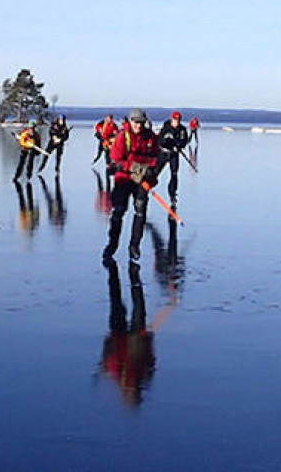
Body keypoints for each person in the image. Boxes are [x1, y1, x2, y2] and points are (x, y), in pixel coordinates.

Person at [103, 108, 160, 263]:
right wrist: (133, 167)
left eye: (141, 123)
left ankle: (134, 246)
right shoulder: (123, 137)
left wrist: (149, 174)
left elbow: (156, 160)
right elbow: (115, 160)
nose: (139, 126)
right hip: (124, 179)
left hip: (142, 181)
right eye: (136, 123)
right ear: (130, 122)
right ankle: (112, 245)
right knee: (118, 211)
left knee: (140, 212)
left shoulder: (151, 138)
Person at [99, 258, 155, 407]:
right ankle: (134, 275)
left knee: (116, 300)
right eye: (134, 391)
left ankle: (118, 273)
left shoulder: (116, 373)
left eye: (130, 391)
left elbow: (108, 353)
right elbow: (150, 357)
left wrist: (105, 359)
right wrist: (148, 340)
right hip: (136, 337)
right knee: (138, 305)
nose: (132, 388)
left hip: (120, 336)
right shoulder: (144, 374)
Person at [156, 110, 190, 207]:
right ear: (172, 119)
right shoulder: (166, 127)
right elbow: (160, 140)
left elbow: (183, 142)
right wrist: (167, 142)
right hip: (163, 153)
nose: (177, 122)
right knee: (155, 171)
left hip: (174, 154)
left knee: (174, 174)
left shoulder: (182, 130)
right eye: (175, 120)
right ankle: (147, 187)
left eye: (178, 120)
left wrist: (177, 144)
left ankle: (172, 194)